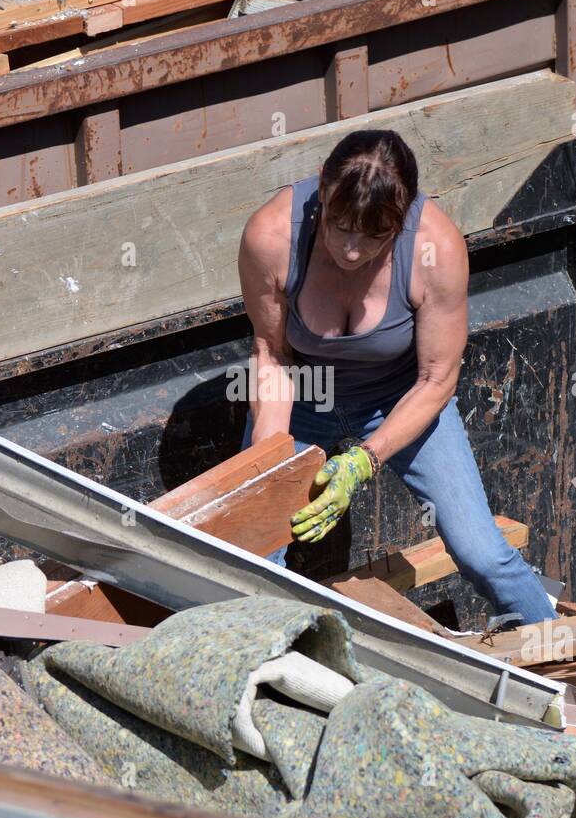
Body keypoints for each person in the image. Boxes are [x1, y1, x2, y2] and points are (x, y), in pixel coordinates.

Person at [237, 128, 557, 626]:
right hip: (303, 401)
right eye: (339, 227)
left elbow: (436, 380)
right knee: (252, 560)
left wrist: (362, 462)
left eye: (373, 236)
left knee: (481, 553)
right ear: (322, 188)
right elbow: (272, 353)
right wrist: (271, 463)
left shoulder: (436, 250)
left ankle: (571, 663)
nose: (349, 250)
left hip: (402, 399)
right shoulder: (271, 237)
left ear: (403, 215)